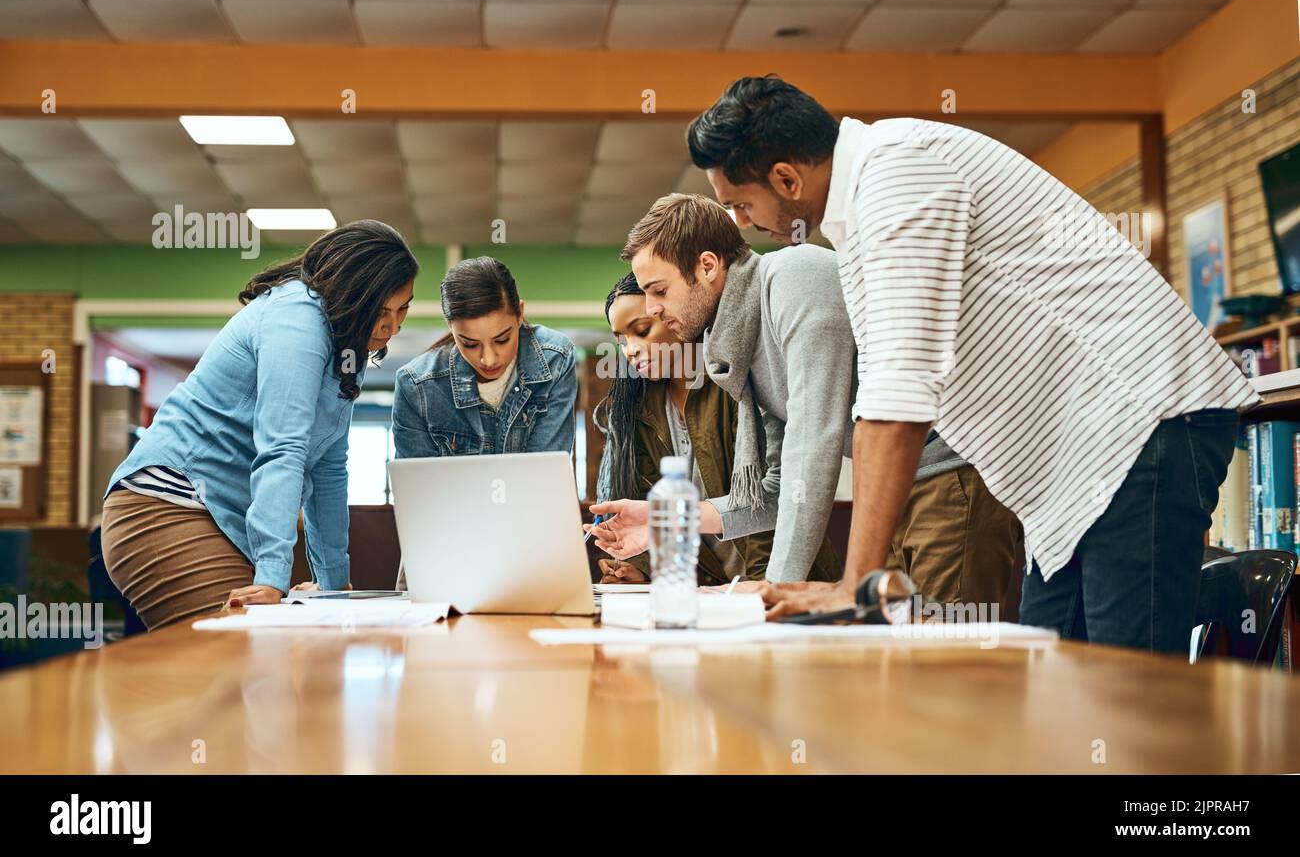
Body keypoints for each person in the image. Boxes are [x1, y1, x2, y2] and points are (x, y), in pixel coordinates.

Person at [686, 75, 1258, 652]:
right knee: (1054, 679)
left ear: (786, 178)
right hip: (1075, 463)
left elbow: (896, 394)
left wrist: (855, 586)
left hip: (1136, 422)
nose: (743, 221)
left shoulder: (895, 176)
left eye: (740, 204)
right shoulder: (864, 208)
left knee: (1124, 693)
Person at [593, 194, 1019, 597]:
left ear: (707, 266)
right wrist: (664, 519)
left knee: (947, 656)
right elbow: (776, 494)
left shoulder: (793, 276)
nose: (651, 309)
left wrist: (776, 591)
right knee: (890, 656)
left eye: (659, 290)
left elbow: (814, 443)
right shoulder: (741, 347)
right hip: (895, 484)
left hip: (951, 470)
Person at [100, 220, 418, 629]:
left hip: (216, 516)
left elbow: (329, 468)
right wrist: (272, 577)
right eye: (381, 311)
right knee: (249, 647)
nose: (393, 327)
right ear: (351, 294)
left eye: (403, 308)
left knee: (271, 661)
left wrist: (334, 587)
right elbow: (283, 448)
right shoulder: (297, 318)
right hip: (166, 503)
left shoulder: (347, 348)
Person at [592, 271, 841, 586]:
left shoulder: (735, 383)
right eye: (621, 339)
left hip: (782, 585)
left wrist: (762, 586)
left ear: (674, 316)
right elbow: (648, 503)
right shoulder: (638, 408)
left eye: (641, 331)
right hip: (709, 592)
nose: (630, 349)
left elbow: (766, 502)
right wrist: (642, 570)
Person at [391, 256, 577, 459]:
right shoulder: (415, 387)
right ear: (450, 327)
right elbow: (419, 487)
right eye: (470, 344)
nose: (488, 360)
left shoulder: (556, 359)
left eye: (502, 340)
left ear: (520, 314)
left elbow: (544, 473)